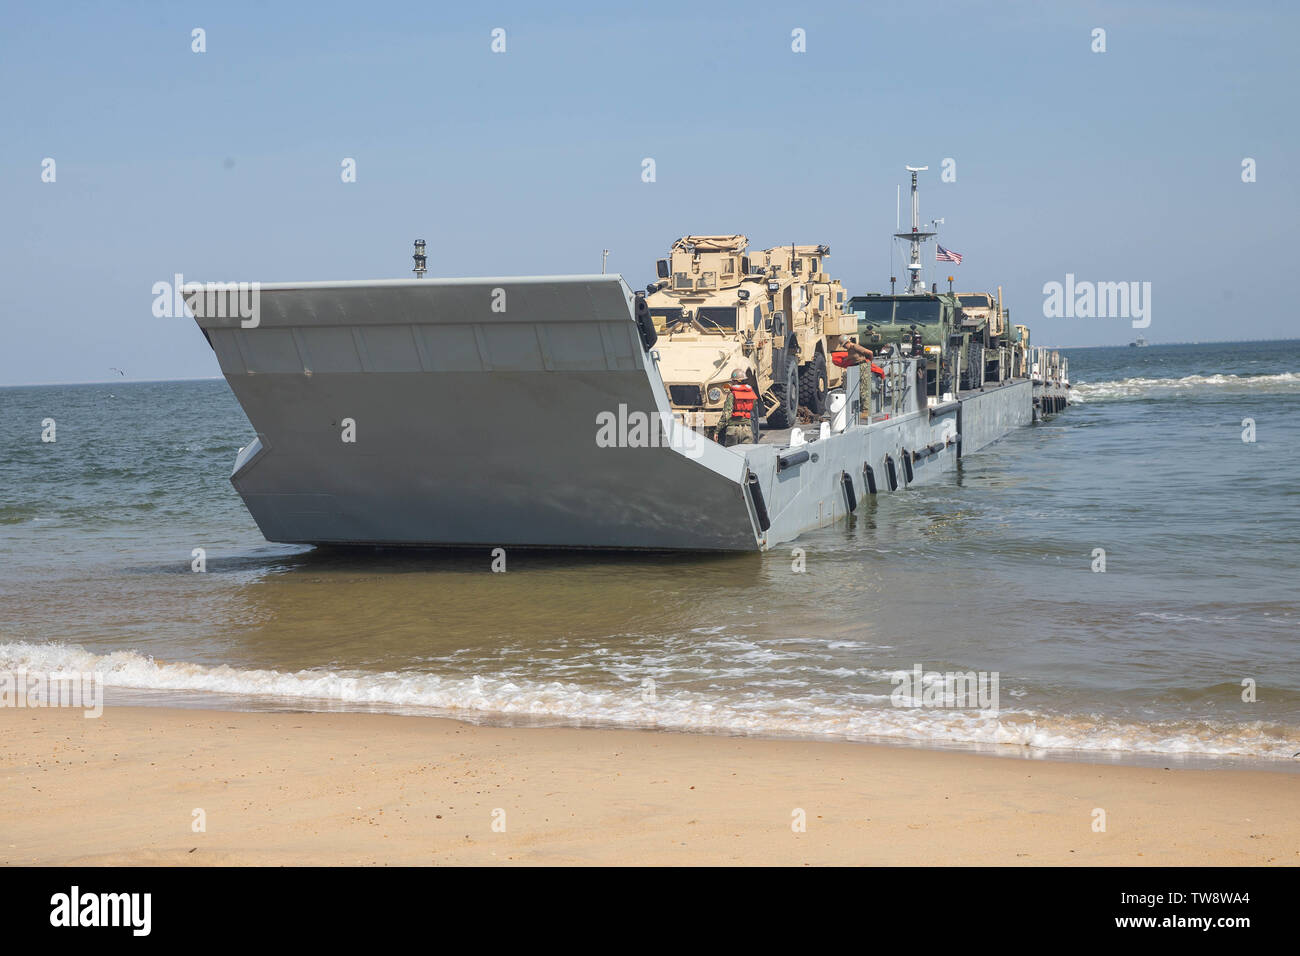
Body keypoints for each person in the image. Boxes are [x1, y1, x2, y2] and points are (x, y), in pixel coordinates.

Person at [717, 369, 758, 446]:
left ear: (736, 381)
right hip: (747, 430)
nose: (731, 383)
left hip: (733, 430)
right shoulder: (751, 393)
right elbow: (753, 408)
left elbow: (726, 415)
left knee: (732, 455)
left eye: (733, 381)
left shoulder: (732, 394)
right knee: (746, 454)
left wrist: (717, 431)